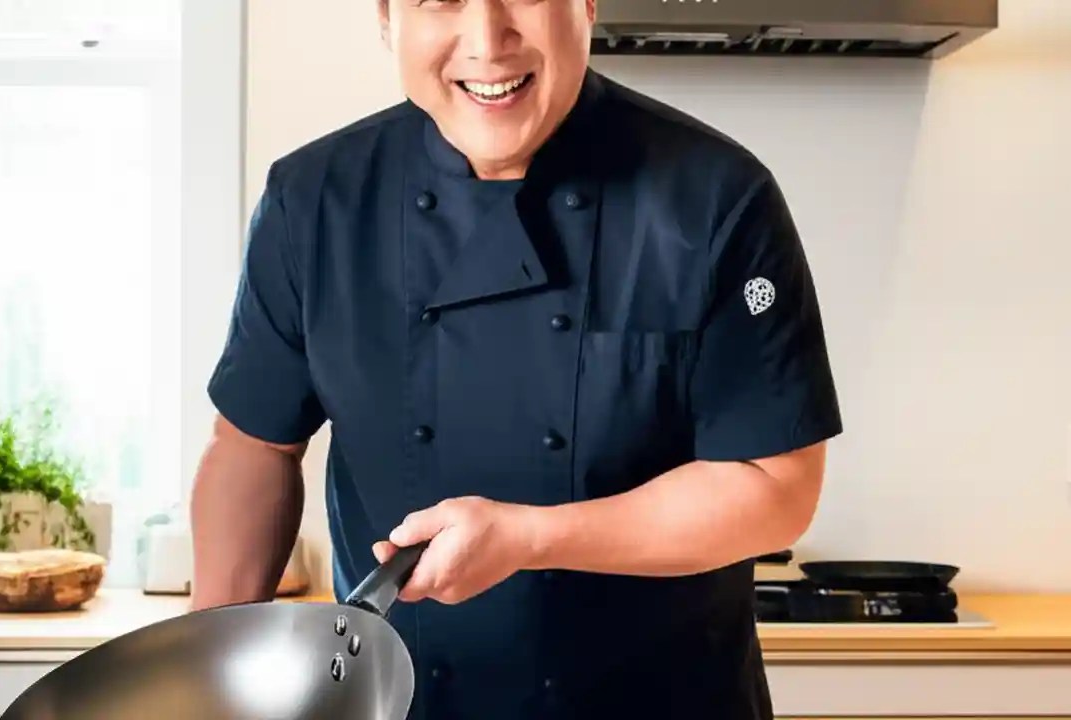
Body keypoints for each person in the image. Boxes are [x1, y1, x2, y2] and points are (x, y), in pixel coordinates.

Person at [190, 0, 842, 718]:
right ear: (386, 17)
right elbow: (254, 446)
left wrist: (530, 537)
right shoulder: (315, 200)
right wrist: (209, 681)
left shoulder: (717, 197)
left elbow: (776, 492)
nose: (487, 40)